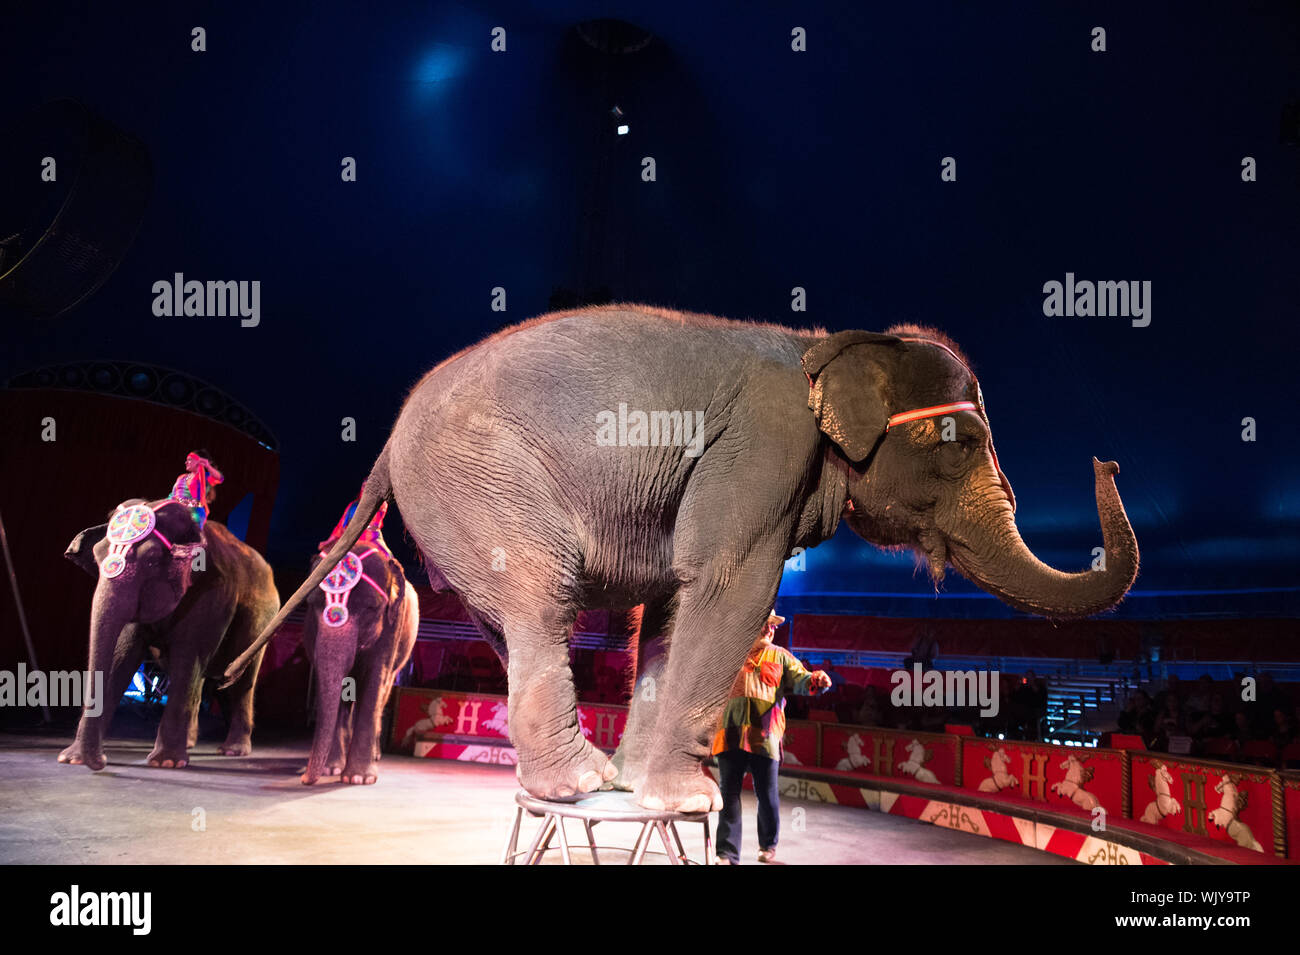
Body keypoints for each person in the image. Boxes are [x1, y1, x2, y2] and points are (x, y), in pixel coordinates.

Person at [712, 611, 831, 865]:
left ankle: (768, 846)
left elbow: (803, 680)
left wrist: (816, 680)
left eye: (772, 626)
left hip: (764, 737)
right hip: (730, 734)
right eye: (764, 624)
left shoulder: (781, 656)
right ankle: (726, 854)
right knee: (728, 796)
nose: (770, 629)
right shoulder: (729, 654)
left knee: (766, 795)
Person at [167, 450, 223, 526]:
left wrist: (207, 465)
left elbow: (220, 478)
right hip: (175, 510)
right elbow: (172, 495)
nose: (186, 462)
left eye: (189, 459)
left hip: (194, 513)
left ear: (199, 461)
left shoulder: (206, 477)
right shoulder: (182, 477)